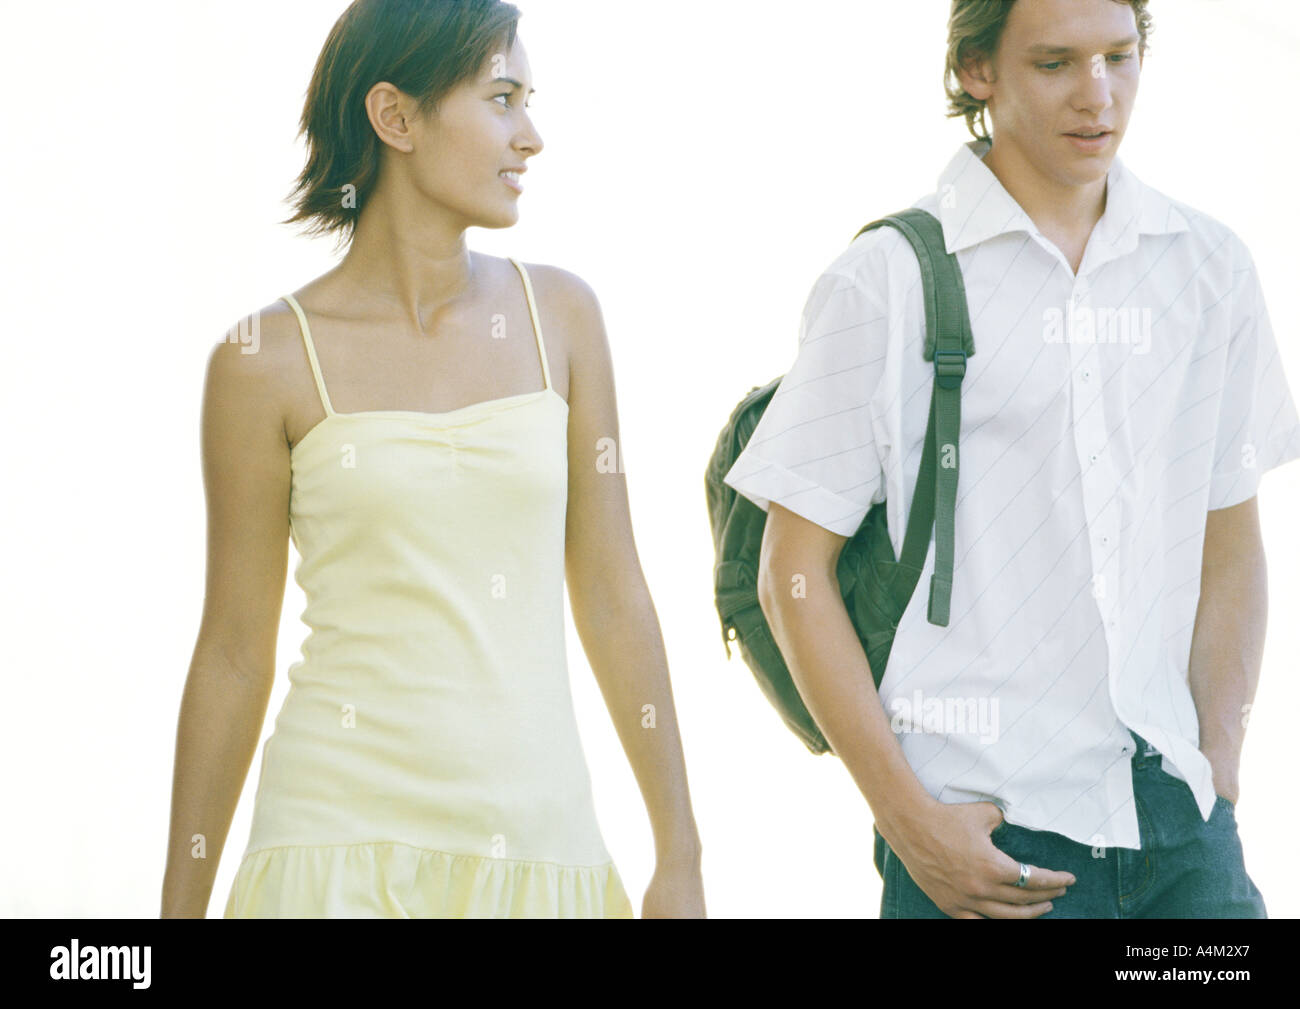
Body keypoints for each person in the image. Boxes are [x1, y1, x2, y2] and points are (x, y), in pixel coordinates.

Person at [723, 0, 1299, 918]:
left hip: (1183, 837)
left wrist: (1219, 759)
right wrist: (907, 820)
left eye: (1119, 56)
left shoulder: (1208, 267)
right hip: (986, 843)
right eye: (1056, 64)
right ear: (976, 72)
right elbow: (789, 573)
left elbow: (1229, 539)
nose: (1097, 95)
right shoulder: (889, 279)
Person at [160, 0, 704, 918]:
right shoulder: (261, 361)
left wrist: (679, 852)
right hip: (329, 849)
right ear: (396, 117)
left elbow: (615, 592)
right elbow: (232, 653)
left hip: (540, 848)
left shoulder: (563, 319)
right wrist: (173, 916)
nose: (531, 136)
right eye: (502, 99)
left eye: (528, 101)